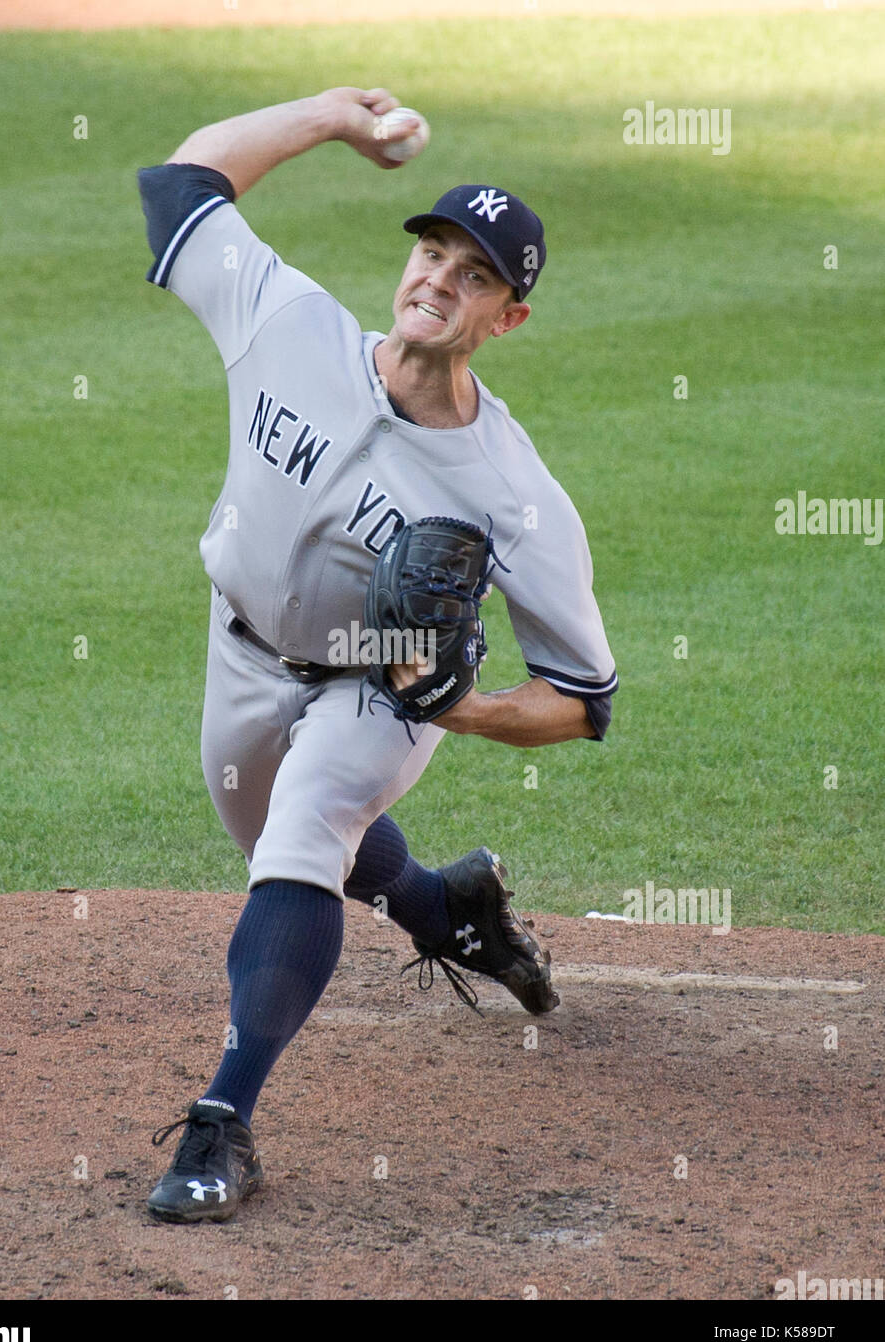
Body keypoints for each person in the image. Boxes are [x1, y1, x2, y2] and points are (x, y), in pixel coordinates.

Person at [136, 87, 618, 1223]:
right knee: (268, 829)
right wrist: (331, 118)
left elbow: (583, 698)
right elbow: (180, 187)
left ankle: (221, 1123)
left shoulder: (512, 495)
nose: (439, 283)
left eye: (476, 276)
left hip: (379, 689)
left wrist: (460, 710)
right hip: (243, 651)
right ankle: (440, 900)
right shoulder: (287, 324)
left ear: (506, 320)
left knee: (305, 832)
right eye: (433, 255)